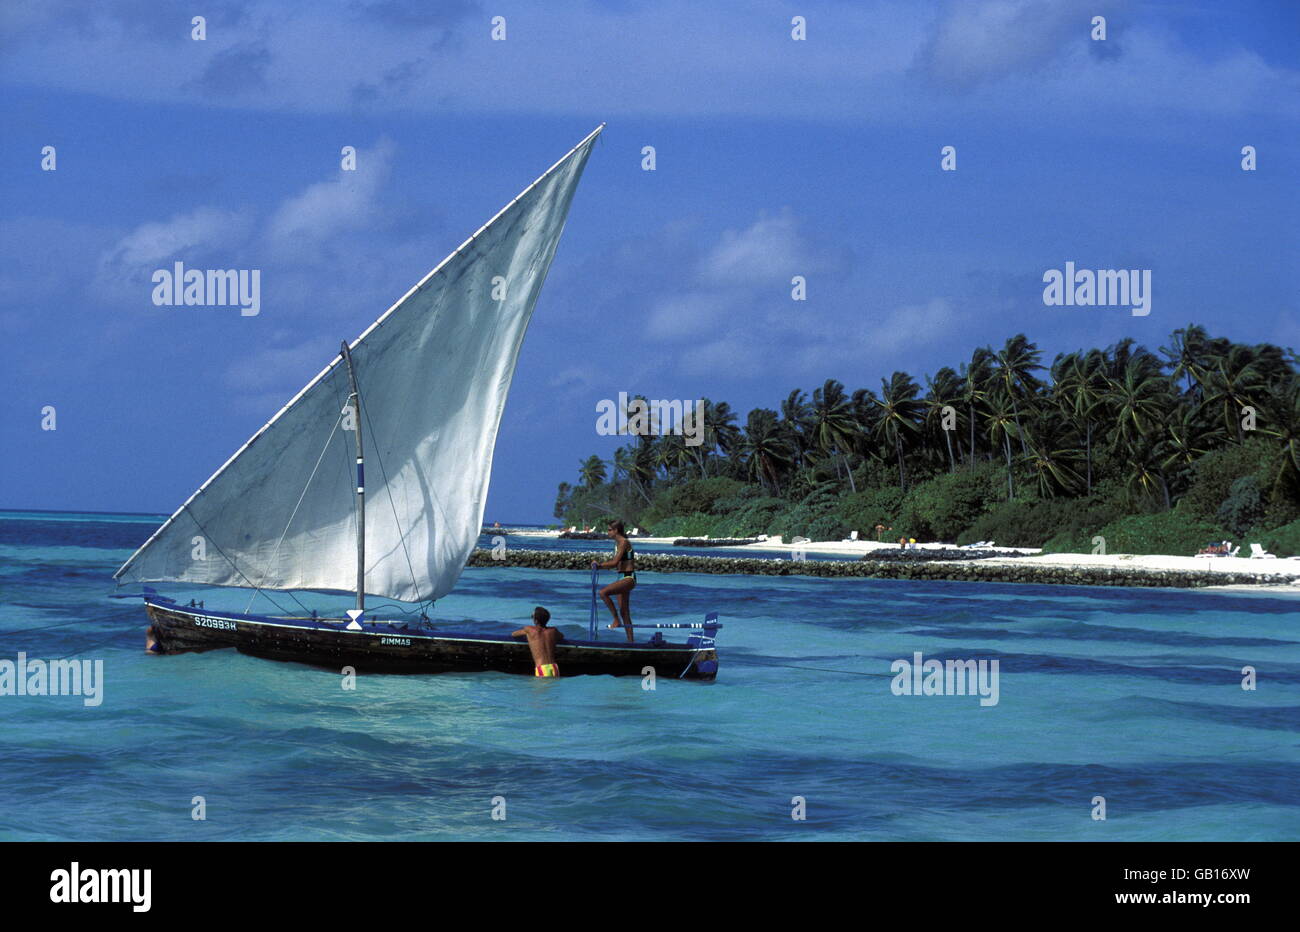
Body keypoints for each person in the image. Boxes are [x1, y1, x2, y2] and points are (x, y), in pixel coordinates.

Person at [594, 520, 636, 642]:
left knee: (603, 593)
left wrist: (599, 565)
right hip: (621, 576)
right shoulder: (617, 544)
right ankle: (631, 643)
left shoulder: (623, 542)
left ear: (616, 530)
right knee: (625, 612)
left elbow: (614, 563)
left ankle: (616, 620)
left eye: (609, 530)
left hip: (628, 577)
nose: (608, 532)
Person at [512, 606, 564, 677]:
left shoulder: (529, 629)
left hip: (542, 669)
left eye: (532, 616)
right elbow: (561, 636)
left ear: (536, 620)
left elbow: (514, 634)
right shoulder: (553, 631)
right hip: (554, 667)